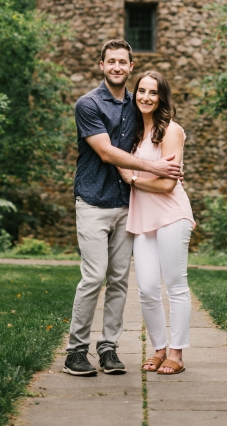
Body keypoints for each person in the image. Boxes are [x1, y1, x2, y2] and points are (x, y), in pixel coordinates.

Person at [63, 40, 183, 377]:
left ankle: (108, 348)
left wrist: (172, 163)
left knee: (118, 281)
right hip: (93, 201)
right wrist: (155, 168)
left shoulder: (137, 104)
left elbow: (160, 134)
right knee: (93, 277)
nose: (117, 67)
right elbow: (106, 152)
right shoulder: (88, 104)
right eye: (111, 61)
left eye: (123, 62)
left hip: (128, 205)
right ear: (101, 65)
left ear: (131, 67)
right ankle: (75, 352)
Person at [121, 70, 196, 375]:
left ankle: (177, 353)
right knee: (148, 288)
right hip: (143, 219)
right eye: (141, 91)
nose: (146, 97)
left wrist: (132, 178)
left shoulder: (171, 131)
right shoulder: (133, 133)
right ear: (134, 94)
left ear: (162, 97)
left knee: (176, 285)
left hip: (170, 215)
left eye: (153, 92)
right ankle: (159, 348)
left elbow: (167, 185)